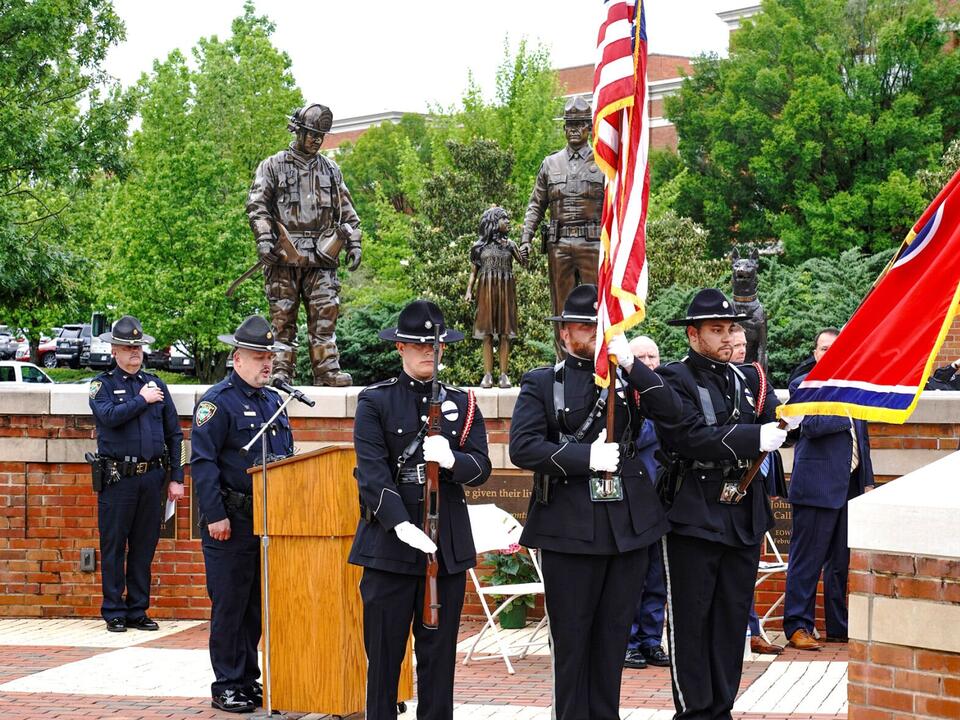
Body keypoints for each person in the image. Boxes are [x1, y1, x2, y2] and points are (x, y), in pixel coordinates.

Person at [509, 285, 682, 720]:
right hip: (568, 530)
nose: (594, 333)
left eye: (601, 325)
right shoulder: (543, 382)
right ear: (565, 333)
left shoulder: (627, 379)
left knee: (611, 644)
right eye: (586, 326)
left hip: (626, 527)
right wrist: (585, 457)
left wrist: (631, 364)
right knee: (571, 645)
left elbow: (676, 414)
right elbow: (524, 447)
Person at [655, 288, 794, 720]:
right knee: (691, 619)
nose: (728, 336)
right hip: (694, 512)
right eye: (717, 329)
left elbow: (773, 421)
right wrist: (754, 437)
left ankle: (721, 707)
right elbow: (687, 436)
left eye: (731, 327)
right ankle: (695, 711)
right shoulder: (676, 378)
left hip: (743, 516)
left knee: (732, 620)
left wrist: (795, 418)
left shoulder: (750, 378)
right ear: (694, 335)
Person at [348, 299, 492, 720]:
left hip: (442, 549)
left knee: (438, 662)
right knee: (383, 662)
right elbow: (372, 475)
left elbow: (481, 468)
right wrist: (399, 523)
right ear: (400, 349)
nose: (429, 351)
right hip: (389, 550)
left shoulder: (462, 404)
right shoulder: (376, 402)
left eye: (435, 344)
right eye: (418, 344)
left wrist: (452, 461)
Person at [190, 315, 295, 713]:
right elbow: (202, 463)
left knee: (255, 605)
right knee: (231, 605)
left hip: (269, 520)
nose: (266, 363)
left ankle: (248, 679)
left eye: (269, 356)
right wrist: (215, 514)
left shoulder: (273, 401)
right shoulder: (217, 402)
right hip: (230, 521)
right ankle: (227, 683)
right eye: (257, 356)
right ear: (237, 359)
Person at [247, 102, 362, 387]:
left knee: (326, 316)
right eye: (311, 133)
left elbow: (347, 212)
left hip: (323, 257)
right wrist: (264, 239)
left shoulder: (331, 170)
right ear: (297, 130)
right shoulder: (272, 165)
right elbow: (257, 205)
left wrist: (355, 245)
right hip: (284, 256)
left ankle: (327, 370)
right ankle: (280, 370)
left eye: (320, 136)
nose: (316, 140)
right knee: (282, 318)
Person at [88, 315, 184, 633]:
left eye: (139, 347)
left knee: (144, 546)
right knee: (115, 545)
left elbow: (175, 435)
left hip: (151, 477)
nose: (135, 353)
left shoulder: (157, 384)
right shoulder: (102, 385)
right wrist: (140, 401)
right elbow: (109, 417)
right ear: (114, 350)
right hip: (118, 478)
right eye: (129, 348)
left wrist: (176, 477)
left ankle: (138, 609)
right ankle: (114, 610)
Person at [783, 328, 874, 651]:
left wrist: (868, 480)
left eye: (835, 350)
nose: (828, 355)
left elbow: (861, 439)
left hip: (849, 485)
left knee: (840, 562)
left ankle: (838, 625)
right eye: (823, 349)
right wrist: (842, 405)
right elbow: (810, 425)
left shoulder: (853, 387)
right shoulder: (804, 386)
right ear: (816, 353)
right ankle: (797, 625)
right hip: (816, 487)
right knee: (807, 560)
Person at [520, 97, 604, 358]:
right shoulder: (550, 163)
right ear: (564, 129)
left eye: (580, 124)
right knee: (561, 308)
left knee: (598, 306)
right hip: (560, 246)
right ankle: (564, 363)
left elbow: (619, 206)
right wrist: (526, 239)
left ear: (590, 127)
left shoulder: (604, 162)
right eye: (570, 125)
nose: (575, 129)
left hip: (593, 243)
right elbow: (536, 204)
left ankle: (599, 361)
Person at [730, 325, 784, 656]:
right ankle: (745, 630)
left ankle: (752, 629)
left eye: (740, 344)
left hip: (756, 486)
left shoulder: (756, 379)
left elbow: (773, 414)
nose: (737, 349)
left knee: (748, 563)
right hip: (724, 483)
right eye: (731, 344)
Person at [623, 335, 670, 670]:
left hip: (662, 503)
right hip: (630, 504)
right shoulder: (621, 397)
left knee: (657, 578)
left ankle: (651, 641)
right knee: (631, 580)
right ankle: (628, 642)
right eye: (641, 357)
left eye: (653, 356)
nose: (649, 363)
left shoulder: (667, 394)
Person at [465, 206, 527, 389]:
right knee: (487, 334)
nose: (508, 222)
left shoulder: (510, 245)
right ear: (494, 222)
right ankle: (487, 375)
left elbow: (524, 263)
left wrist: (525, 248)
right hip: (486, 290)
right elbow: (473, 272)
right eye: (504, 218)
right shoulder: (479, 247)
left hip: (505, 290)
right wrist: (469, 290)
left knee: (505, 333)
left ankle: (504, 375)